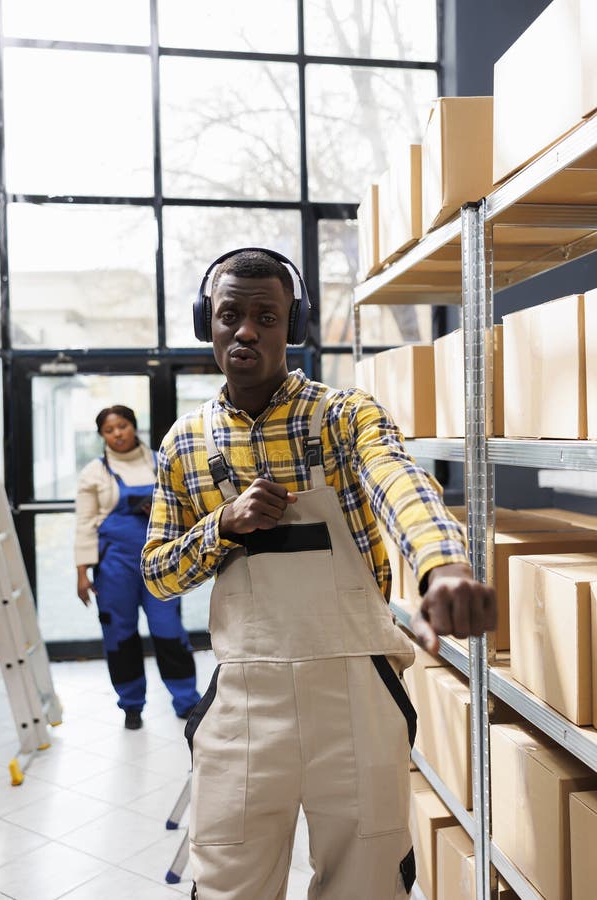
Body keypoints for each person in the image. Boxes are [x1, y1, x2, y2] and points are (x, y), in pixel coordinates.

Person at [141, 249, 497, 899]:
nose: (246, 331)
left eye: (266, 317)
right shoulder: (184, 444)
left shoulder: (342, 416)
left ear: (293, 326)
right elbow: (158, 574)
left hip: (354, 694)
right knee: (227, 880)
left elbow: (397, 479)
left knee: (367, 879)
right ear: (205, 322)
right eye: (229, 314)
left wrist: (443, 564)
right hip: (244, 699)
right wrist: (222, 525)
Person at [75, 404, 200, 730]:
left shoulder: (161, 462)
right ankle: (131, 705)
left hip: (161, 563)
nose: (117, 434)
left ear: (134, 426)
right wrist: (81, 573)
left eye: (123, 426)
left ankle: (187, 700)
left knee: (169, 631)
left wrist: (160, 510)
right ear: (102, 435)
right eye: (109, 430)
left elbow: (185, 506)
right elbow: (85, 525)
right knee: (120, 636)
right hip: (115, 568)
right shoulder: (94, 473)